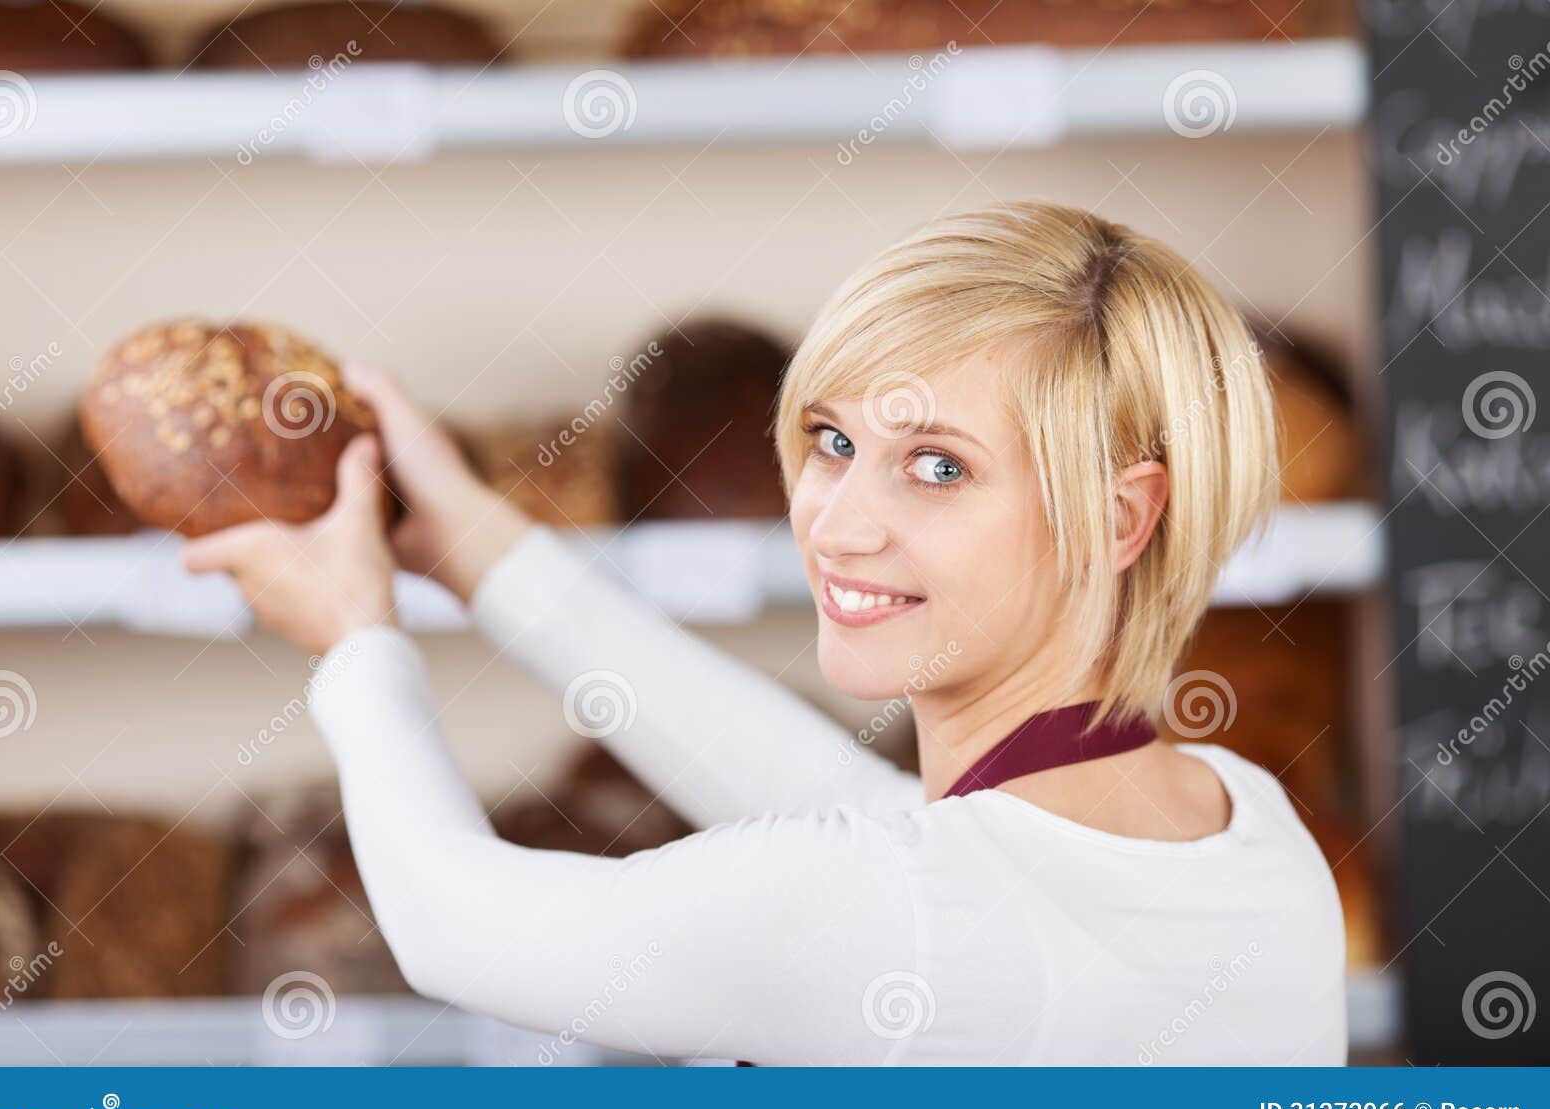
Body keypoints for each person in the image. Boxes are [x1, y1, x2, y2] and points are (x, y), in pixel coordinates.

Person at [184, 201, 1348, 1065]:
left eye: (937, 468)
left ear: (1118, 512)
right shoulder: (1250, 827)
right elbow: (843, 807)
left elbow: (457, 923)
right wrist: (479, 551)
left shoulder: (899, 910)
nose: (837, 524)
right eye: (833, 440)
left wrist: (353, 639)